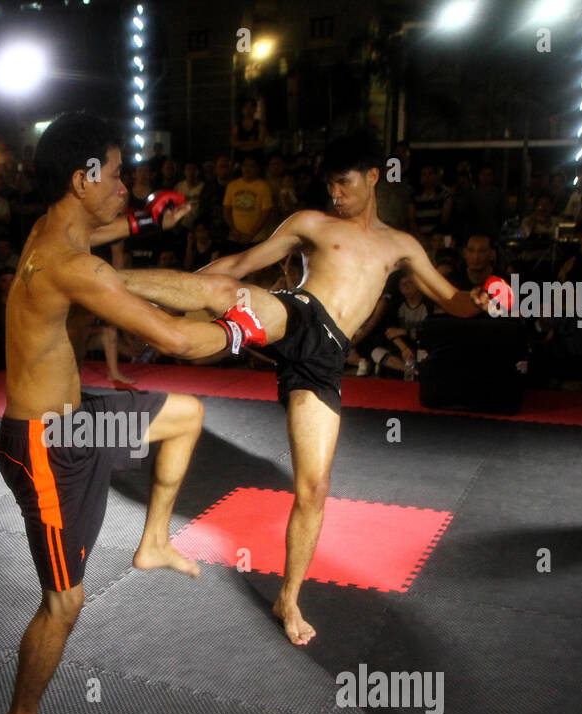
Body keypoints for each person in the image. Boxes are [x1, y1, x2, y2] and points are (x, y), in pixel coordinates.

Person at [123, 131, 493, 644]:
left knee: (314, 489)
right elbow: (240, 264)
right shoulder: (311, 224)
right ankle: (108, 282)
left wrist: (481, 298)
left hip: (325, 359)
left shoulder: (401, 246)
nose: (335, 194)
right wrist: (195, 288)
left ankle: (288, 600)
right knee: (211, 307)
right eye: (329, 185)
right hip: (297, 314)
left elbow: (454, 301)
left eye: (343, 184)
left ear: (373, 177)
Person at [0, 112, 250, 714]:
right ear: (82, 179)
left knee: (185, 416)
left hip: (79, 422)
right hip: (43, 447)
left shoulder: (55, 226)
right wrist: (250, 330)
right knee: (64, 602)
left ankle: (155, 541)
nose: (125, 184)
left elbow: (105, 226)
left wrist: (144, 221)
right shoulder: (69, 264)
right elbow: (174, 339)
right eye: (114, 174)